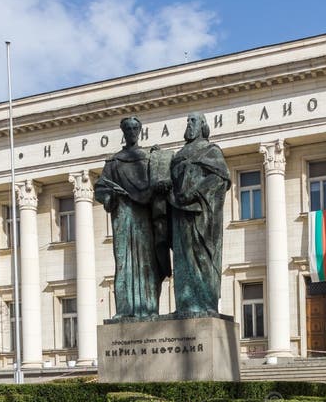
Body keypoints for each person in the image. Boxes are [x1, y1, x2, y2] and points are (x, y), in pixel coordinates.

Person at [94, 117, 170, 319]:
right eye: (128, 128)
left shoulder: (149, 158)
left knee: (148, 263)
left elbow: (161, 182)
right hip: (124, 218)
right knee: (124, 262)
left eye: (135, 128)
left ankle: (149, 308)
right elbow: (101, 188)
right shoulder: (114, 162)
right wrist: (110, 196)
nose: (132, 132)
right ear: (123, 131)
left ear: (140, 130)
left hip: (146, 218)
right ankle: (125, 310)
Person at [169, 113, 231, 315]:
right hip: (180, 213)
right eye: (187, 121)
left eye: (193, 121)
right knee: (182, 259)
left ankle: (205, 303)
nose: (189, 124)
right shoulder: (178, 154)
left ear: (203, 125)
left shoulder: (211, 151)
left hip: (201, 214)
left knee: (202, 255)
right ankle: (186, 305)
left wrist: (195, 192)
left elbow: (220, 179)